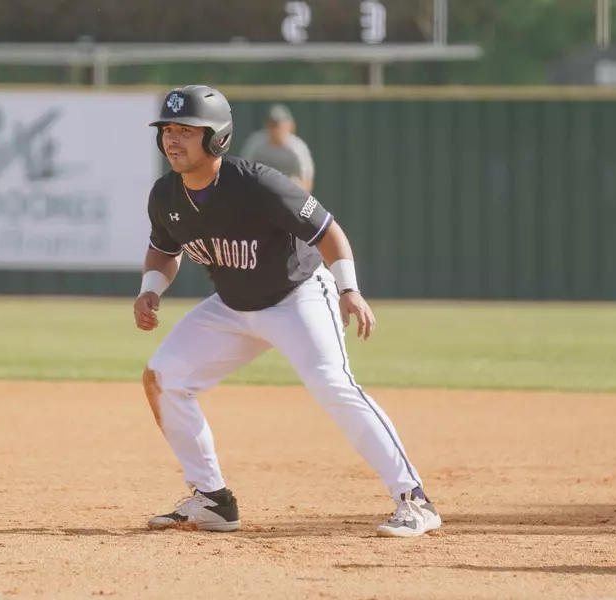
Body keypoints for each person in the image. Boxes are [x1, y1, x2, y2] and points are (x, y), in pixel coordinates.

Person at [132, 85, 440, 538]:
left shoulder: (258, 183)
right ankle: (213, 501)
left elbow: (328, 230)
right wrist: (151, 288)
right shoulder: (166, 195)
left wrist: (348, 288)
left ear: (217, 138)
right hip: (234, 307)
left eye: (186, 130)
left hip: (297, 296)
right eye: (167, 130)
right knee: (164, 377)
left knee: (333, 384)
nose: (173, 139)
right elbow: (163, 249)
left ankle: (414, 498)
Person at [238, 103, 315, 193]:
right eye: (272, 124)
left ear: (290, 126)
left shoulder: (297, 148)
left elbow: (306, 181)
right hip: (261, 192)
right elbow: (242, 171)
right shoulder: (256, 143)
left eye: (279, 125)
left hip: (289, 192)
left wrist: (295, 198)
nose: (276, 129)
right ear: (266, 125)